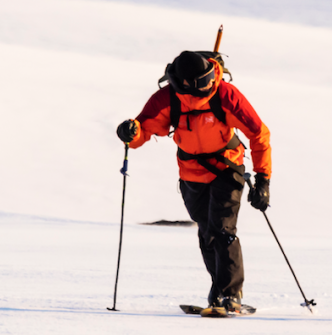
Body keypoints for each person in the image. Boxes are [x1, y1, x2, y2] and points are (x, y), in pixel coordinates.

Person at [116, 50, 271, 317]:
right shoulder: (166, 99)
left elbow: (259, 133)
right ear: (184, 82)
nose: (209, 84)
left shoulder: (225, 94)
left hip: (227, 168)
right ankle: (218, 291)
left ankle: (230, 295)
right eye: (201, 82)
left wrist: (263, 179)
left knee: (223, 230)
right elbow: (143, 131)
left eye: (210, 77)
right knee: (207, 233)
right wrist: (130, 132)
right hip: (190, 174)